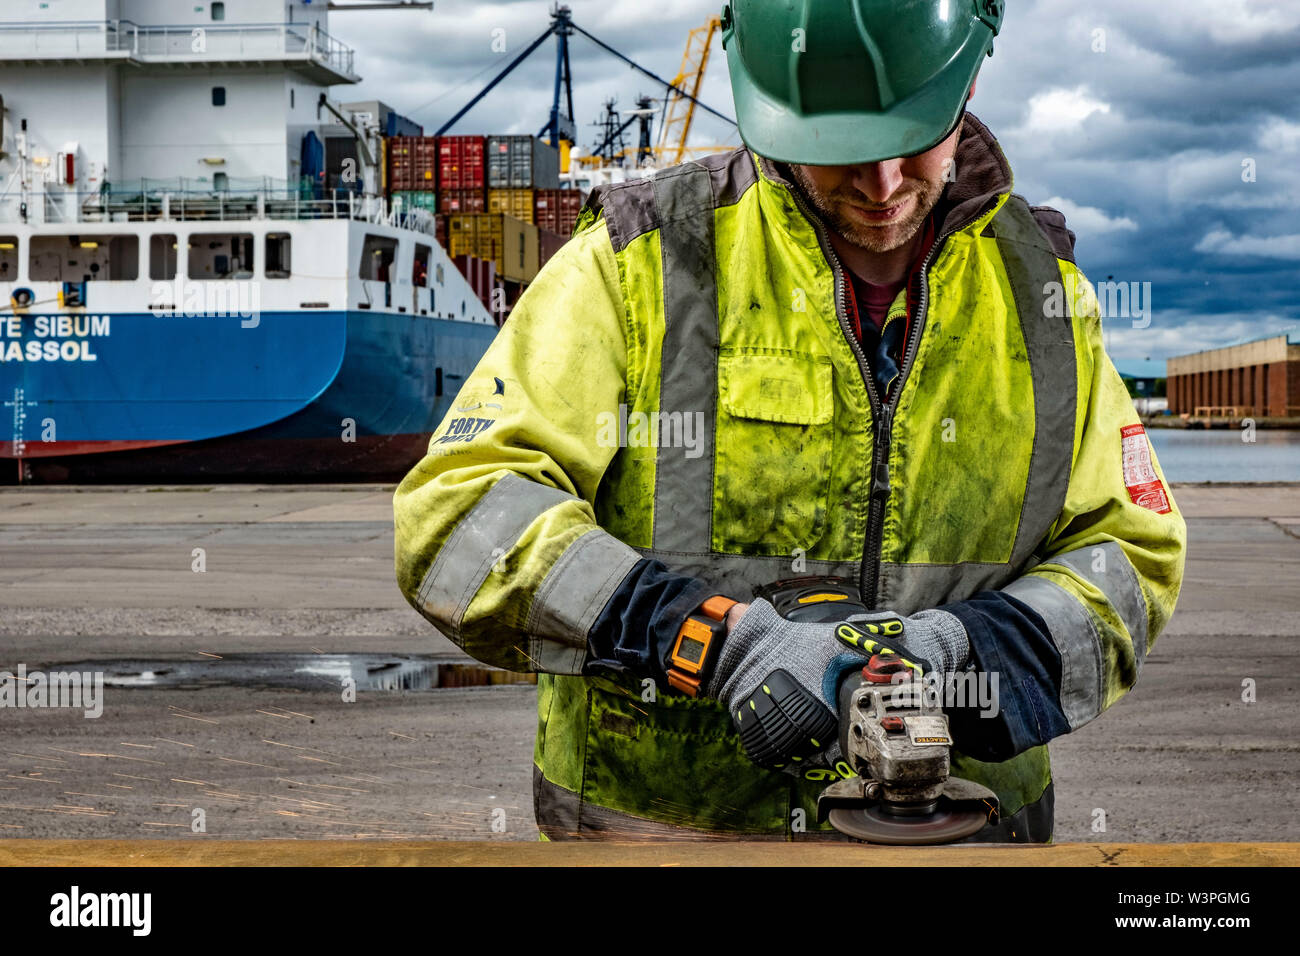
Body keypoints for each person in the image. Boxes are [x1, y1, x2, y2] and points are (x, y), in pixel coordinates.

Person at [394, 0, 1186, 842]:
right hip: (670, 842)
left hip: (967, 833)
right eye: (840, 151)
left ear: (969, 79)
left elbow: (1130, 556)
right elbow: (459, 515)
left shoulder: (1043, 291)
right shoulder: (641, 260)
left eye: (913, 136)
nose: (881, 185)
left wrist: (968, 653)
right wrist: (708, 640)